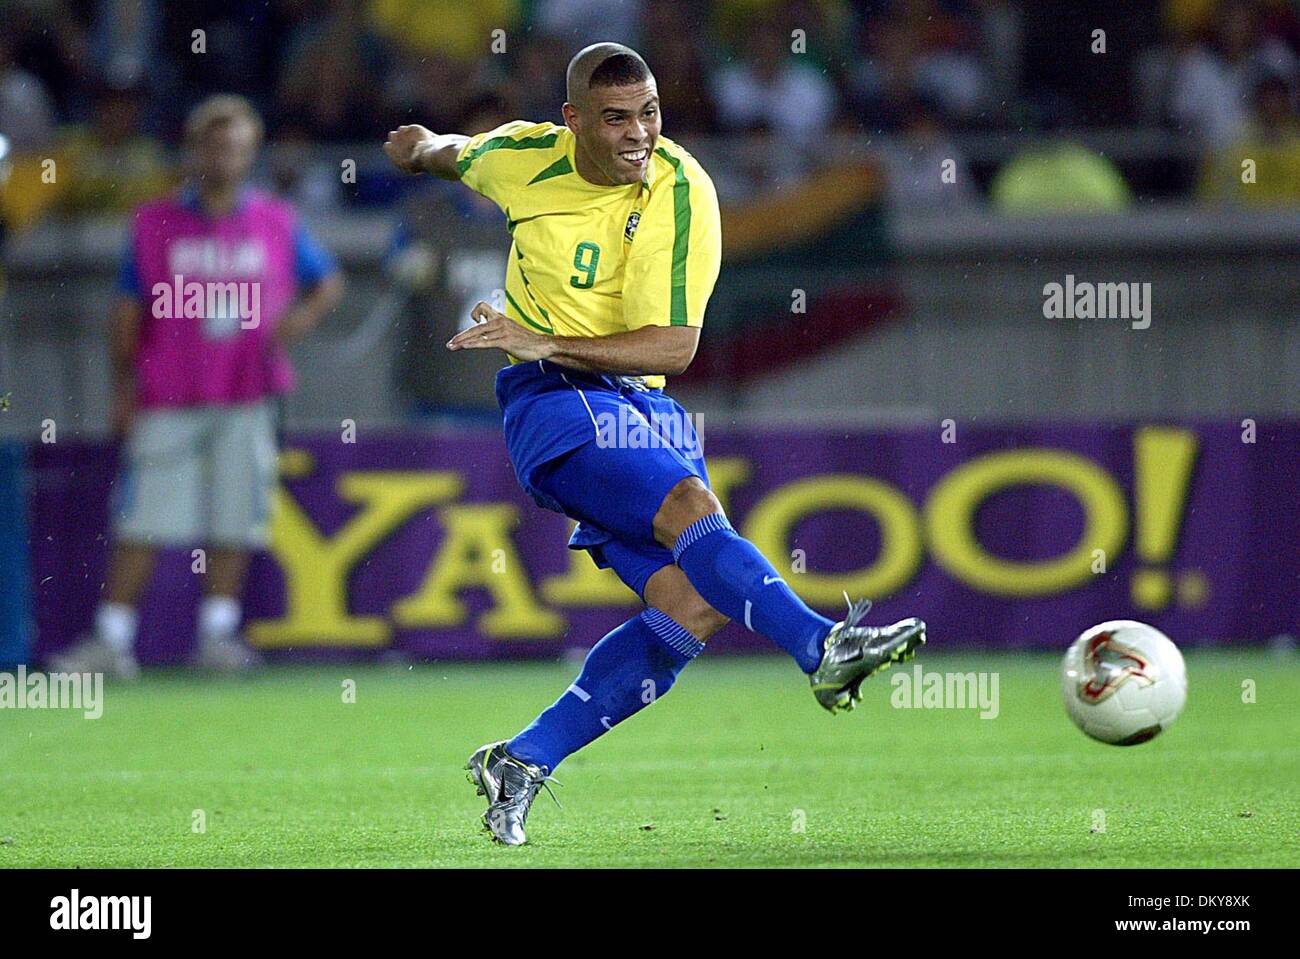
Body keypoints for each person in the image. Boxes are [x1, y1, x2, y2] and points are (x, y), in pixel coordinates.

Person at [384, 43, 926, 846]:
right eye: (616, 118)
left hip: (642, 399)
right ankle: (822, 645)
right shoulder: (523, 156)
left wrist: (547, 337)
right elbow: (448, 153)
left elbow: (673, 349)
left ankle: (522, 758)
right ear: (573, 122)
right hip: (550, 403)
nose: (639, 134)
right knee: (689, 507)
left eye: (650, 113)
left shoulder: (684, 190)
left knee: (690, 606)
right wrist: (416, 143)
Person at [50, 94, 344, 678]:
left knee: (237, 515)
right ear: (194, 150)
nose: (224, 155)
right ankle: (113, 642)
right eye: (214, 144)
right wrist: (123, 387)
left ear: (250, 151)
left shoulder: (275, 221)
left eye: (235, 144)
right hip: (170, 390)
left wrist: (296, 323)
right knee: (143, 518)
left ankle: (216, 638)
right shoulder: (155, 221)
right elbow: (127, 311)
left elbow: (326, 281)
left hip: (247, 390)